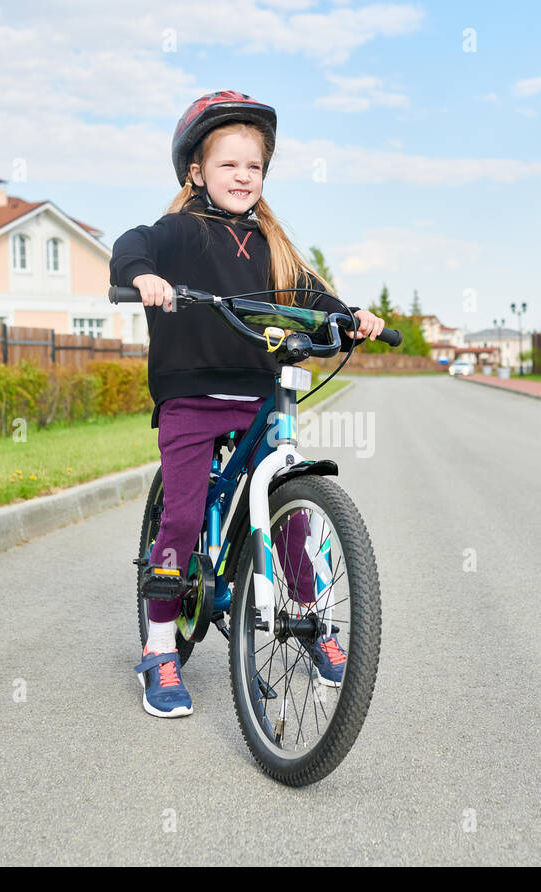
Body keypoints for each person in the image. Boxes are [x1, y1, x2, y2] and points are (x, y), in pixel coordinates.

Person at [109, 90, 385, 718]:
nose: (243, 176)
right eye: (229, 165)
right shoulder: (180, 232)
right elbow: (133, 242)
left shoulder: (274, 246)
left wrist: (351, 317)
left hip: (261, 392)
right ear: (197, 172)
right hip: (191, 393)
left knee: (289, 503)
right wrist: (143, 277)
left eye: (254, 167)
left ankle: (314, 623)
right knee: (180, 518)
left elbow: (317, 298)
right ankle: (158, 649)